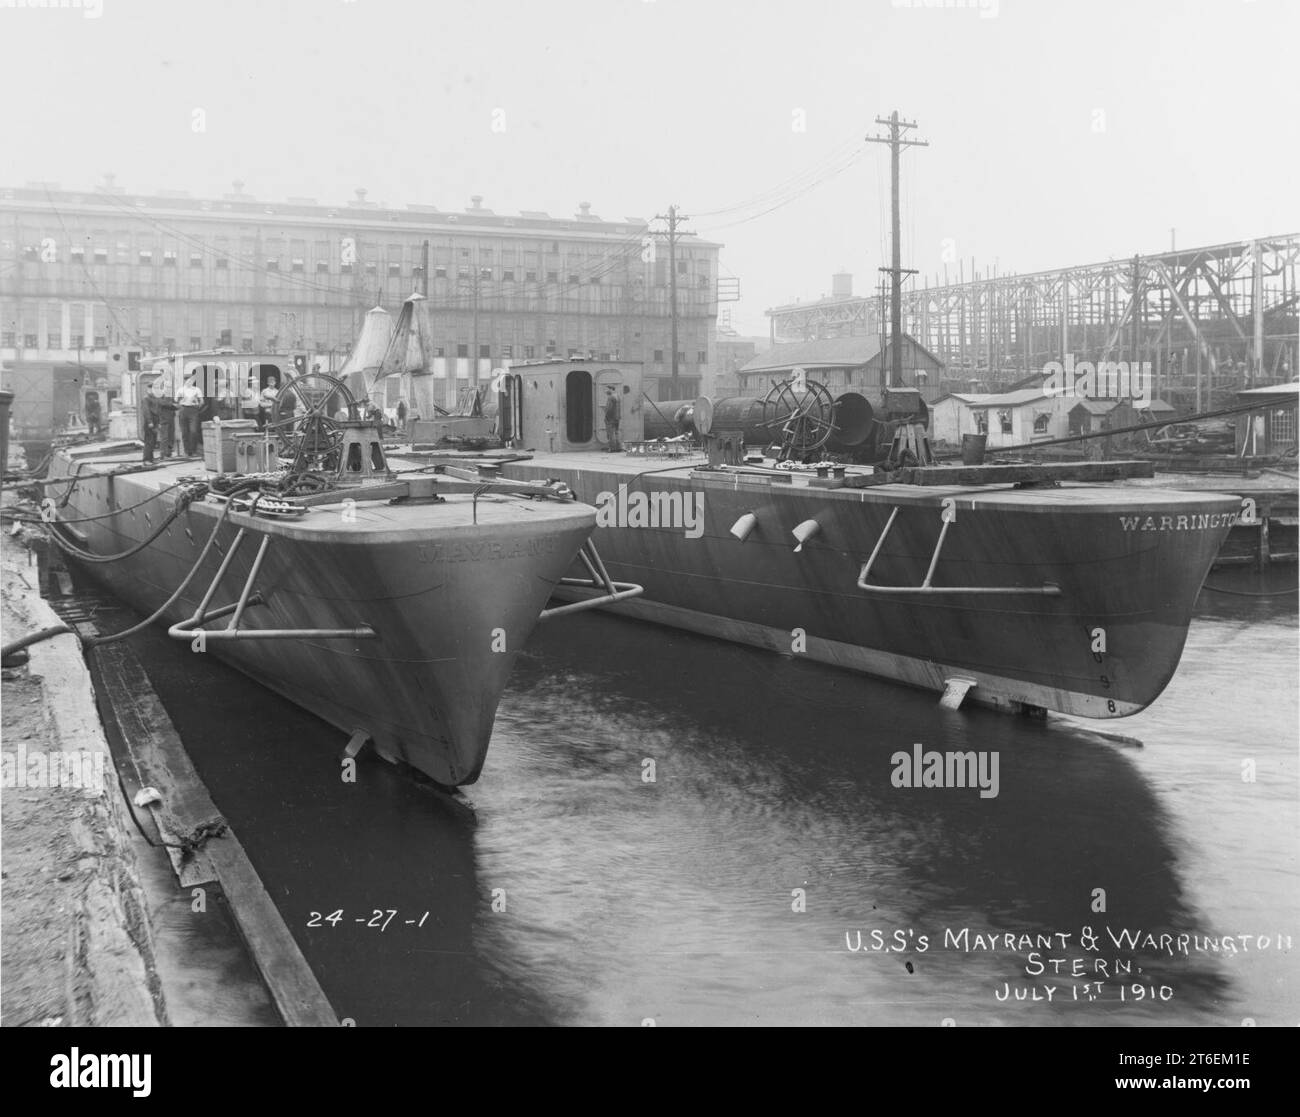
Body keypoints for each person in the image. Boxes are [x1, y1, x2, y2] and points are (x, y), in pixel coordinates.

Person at [177, 374, 205, 457]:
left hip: (193, 411)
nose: (188, 382)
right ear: (184, 381)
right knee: (184, 432)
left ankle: (193, 450)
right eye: (186, 380)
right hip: (183, 410)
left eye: (190, 380)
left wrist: (197, 407)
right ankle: (187, 451)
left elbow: (202, 401)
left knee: (193, 431)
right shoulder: (180, 390)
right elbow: (176, 401)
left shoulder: (197, 390)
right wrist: (181, 407)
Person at [141, 380, 165, 463]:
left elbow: (157, 412)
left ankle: (151, 459)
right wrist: (149, 422)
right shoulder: (146, 398)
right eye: (150, 388)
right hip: (149, 422)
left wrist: (158, 423)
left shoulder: (155, 399)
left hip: (154, 421)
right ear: (148, 389)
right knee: (149, 441)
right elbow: (146, 411)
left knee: (153, 441)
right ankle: (146, 459)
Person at [603, 385, 622, 452]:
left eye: (607, 389)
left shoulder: (611, 398)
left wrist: (606, 416)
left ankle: (612, 448)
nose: (605, 391)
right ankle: (619, 447)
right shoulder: (618, 396)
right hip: (617, 418)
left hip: (610, 418)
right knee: (616, 432)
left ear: (611, 389)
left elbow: (609, 409)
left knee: (611, 433)